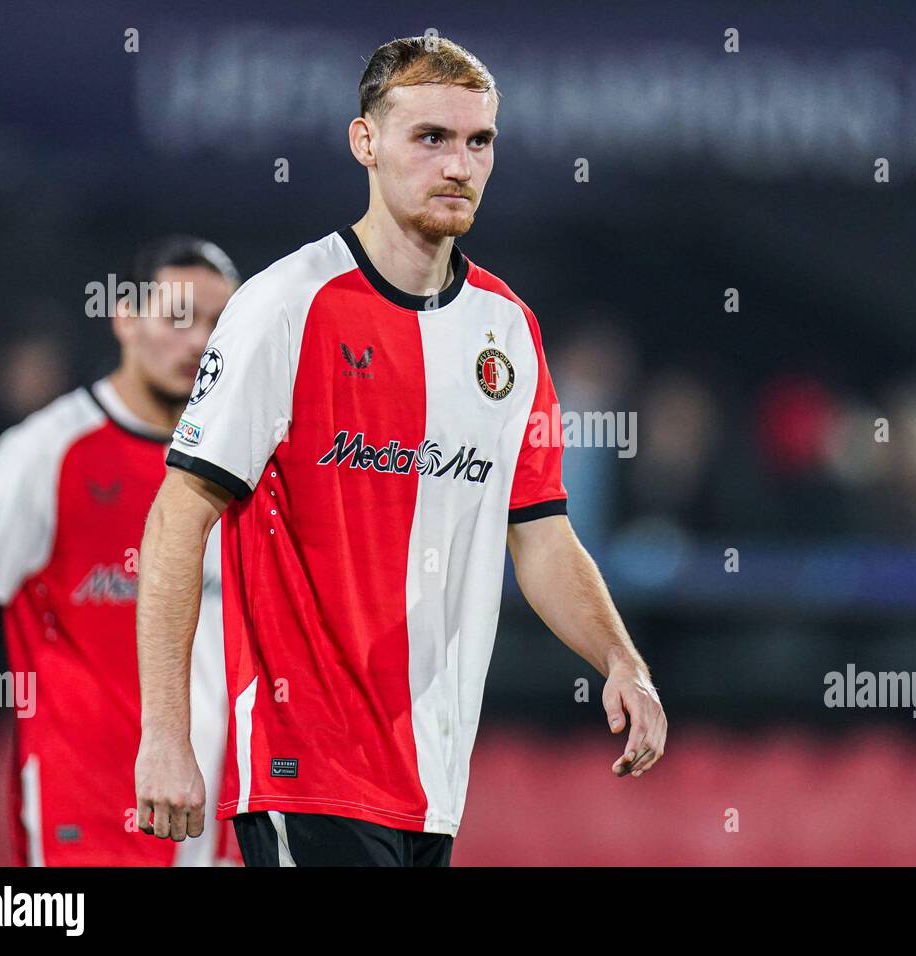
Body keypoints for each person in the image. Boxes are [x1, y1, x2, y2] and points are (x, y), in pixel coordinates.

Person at [134, 36, 667, 867]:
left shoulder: (508, 332)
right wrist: (166, 735)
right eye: (431, 138)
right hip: (302, 769)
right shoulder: (284, 308)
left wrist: (621, 659)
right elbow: (177, 518)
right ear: (367, 143)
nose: (459, 164)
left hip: (433, 783)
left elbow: (543, 534)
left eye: (478, 142)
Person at [0, 236, 239, 866]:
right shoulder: (45, 452)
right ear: (125, 318)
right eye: (179, 316)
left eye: (218, 323)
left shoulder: (245, 462)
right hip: (86, 811)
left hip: (217, 816)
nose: (199, 341)